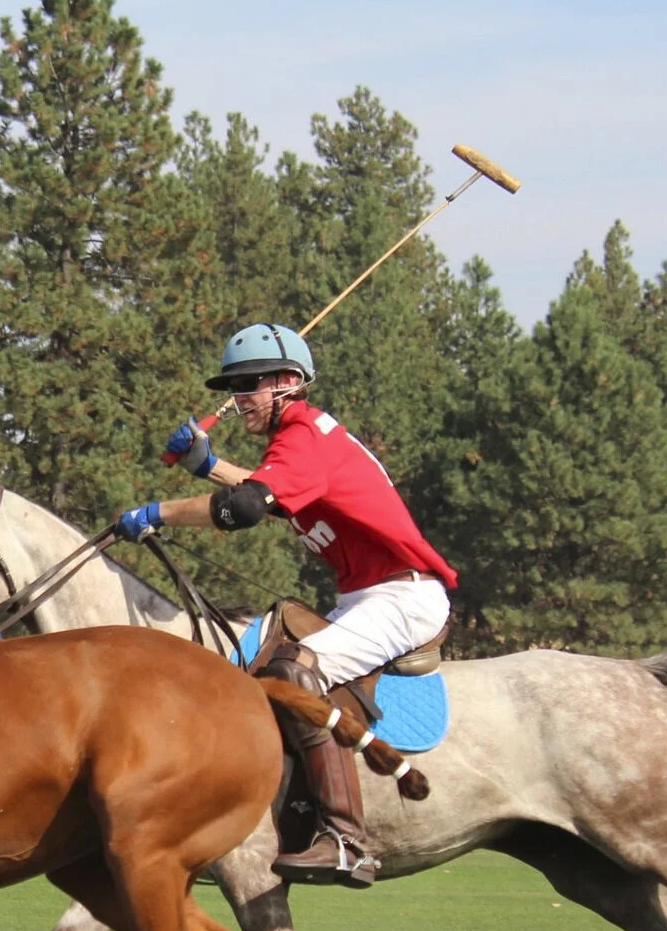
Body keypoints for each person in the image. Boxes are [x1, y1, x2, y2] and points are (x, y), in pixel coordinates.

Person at [117, 324, 456, 886]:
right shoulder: (297, 443)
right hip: (367, 594)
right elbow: (271, 497)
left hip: (404, 594)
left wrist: (159, 512)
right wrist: (209, 467)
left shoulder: (304, 434)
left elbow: (247, 507)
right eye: (233, 386)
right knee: (272, 662)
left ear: (289, 383)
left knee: (292, 672)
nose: (238, 397)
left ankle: (348, 840)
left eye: (249, 384)